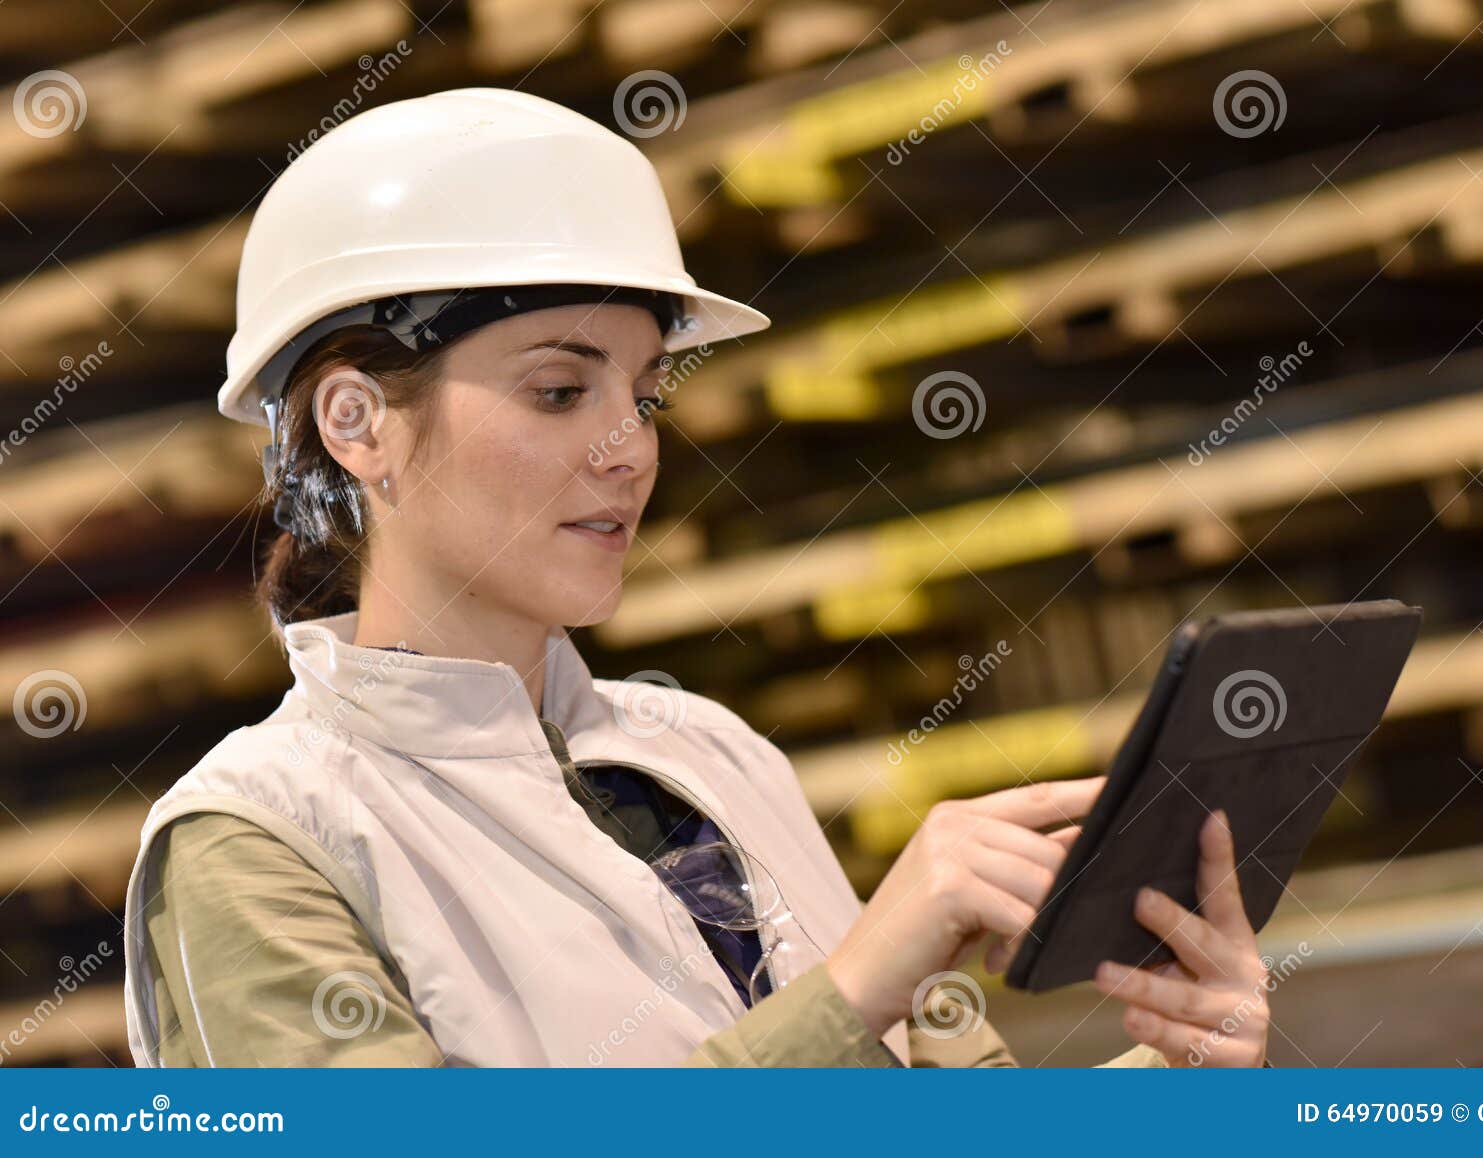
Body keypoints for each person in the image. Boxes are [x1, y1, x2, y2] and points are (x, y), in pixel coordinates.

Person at [120, 88, 1273, 1068]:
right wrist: (857, 987)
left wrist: (1176, 1075)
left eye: (645, 392)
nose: (628, 446)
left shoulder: (712, 758)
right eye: (562, 391)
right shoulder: (258, 842)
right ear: (356, 422)